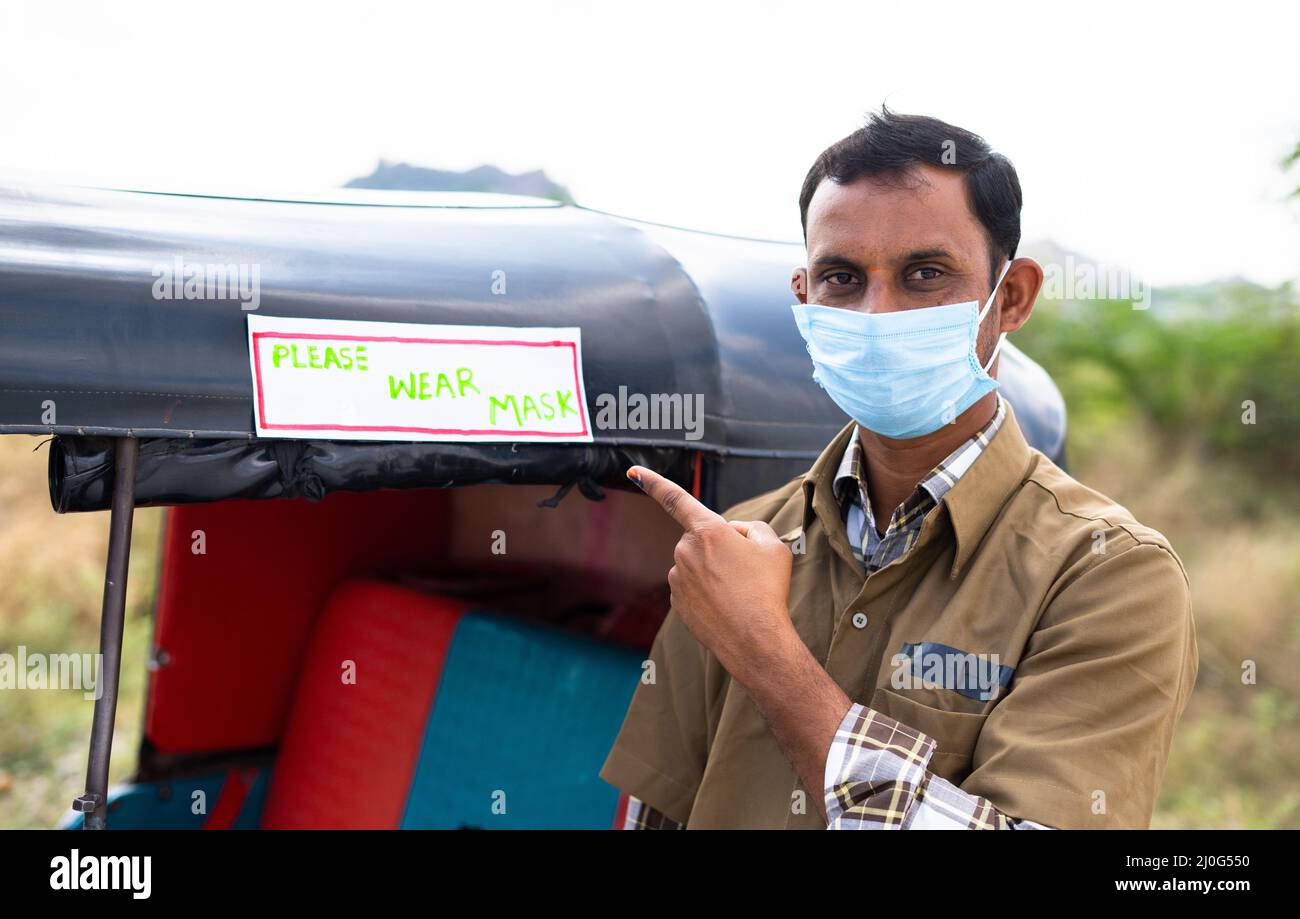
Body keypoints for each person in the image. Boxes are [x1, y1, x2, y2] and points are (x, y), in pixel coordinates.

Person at [599, 107, 1198, 830]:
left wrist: (764, 649)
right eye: (843, 278)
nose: (878, 313)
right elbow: (656, 814)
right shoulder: (737, 539)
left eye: (925, 273)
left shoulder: (1107, 573)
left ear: (1010, 297)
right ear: (804, 299)